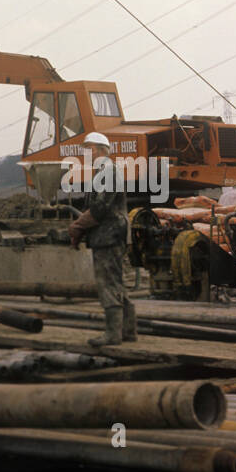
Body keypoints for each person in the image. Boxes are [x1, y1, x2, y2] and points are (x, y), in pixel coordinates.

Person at [68, 132, 136, 345]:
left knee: (107, 283)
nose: (85, 154)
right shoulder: (103, 172)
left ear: (100, 150)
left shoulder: (107, 172)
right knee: (116, 282)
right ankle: (127, 331)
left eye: (88, 149)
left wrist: (77, 226)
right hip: (110, 233)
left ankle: (113, 334)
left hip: (108, 235)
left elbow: (99, 208)